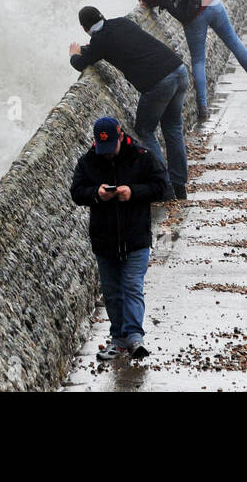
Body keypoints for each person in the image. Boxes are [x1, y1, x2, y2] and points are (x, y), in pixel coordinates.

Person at [70, 116, 171, 361]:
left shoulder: (142, 156)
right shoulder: (88, 160)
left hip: (135, 238)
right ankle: (118, 340)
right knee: (113, 292)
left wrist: (132, 192)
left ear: (120, 136)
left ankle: (135, 338)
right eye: (101, 148)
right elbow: (76, 192)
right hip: (104, 241)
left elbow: (162, 187)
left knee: (132, 287)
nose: (106, 154)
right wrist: (96, 194)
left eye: (110, 147)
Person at [69, 5, 190, 200]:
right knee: (173, 128)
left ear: (84, 29)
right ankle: (179, 185)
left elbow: (80, 63)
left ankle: (164, 186)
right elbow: (114, 42)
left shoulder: (100, 41)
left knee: (145, 130)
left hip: (160, 83)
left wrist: (74, 53)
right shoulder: (122, 22)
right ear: (103, 15)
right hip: (178, 70)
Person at [131, 0, 247, 119]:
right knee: (234, 42)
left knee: (198, 60)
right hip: (210, 2)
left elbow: (143, 0)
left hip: (192, 19)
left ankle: (203, 108)